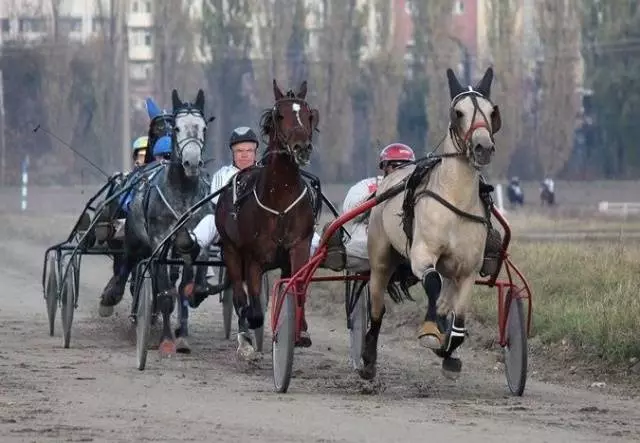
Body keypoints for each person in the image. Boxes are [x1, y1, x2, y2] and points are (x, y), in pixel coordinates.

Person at [311, 143, 416, 272]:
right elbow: (349, 210)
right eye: (395, 166)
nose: (401, 171)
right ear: (385, 168)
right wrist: (378, 196)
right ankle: (335, 254)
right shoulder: (368, 185)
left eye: (406, 167)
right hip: (367, 244)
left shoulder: (417, 190)